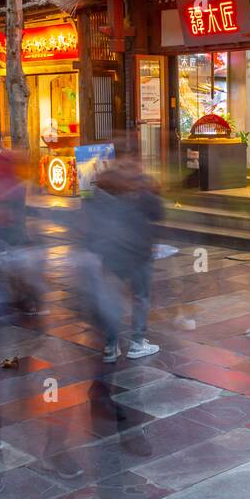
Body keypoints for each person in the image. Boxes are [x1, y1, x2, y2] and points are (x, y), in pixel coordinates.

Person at [77, 155, 163, 363]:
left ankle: (110, 345)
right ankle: (137, 342)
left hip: (111, 254)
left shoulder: (99, 190)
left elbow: (89, 221)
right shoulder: (141, 190)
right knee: (140, 297)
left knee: (112, 300)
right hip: (138, 253)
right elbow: (157, 213)